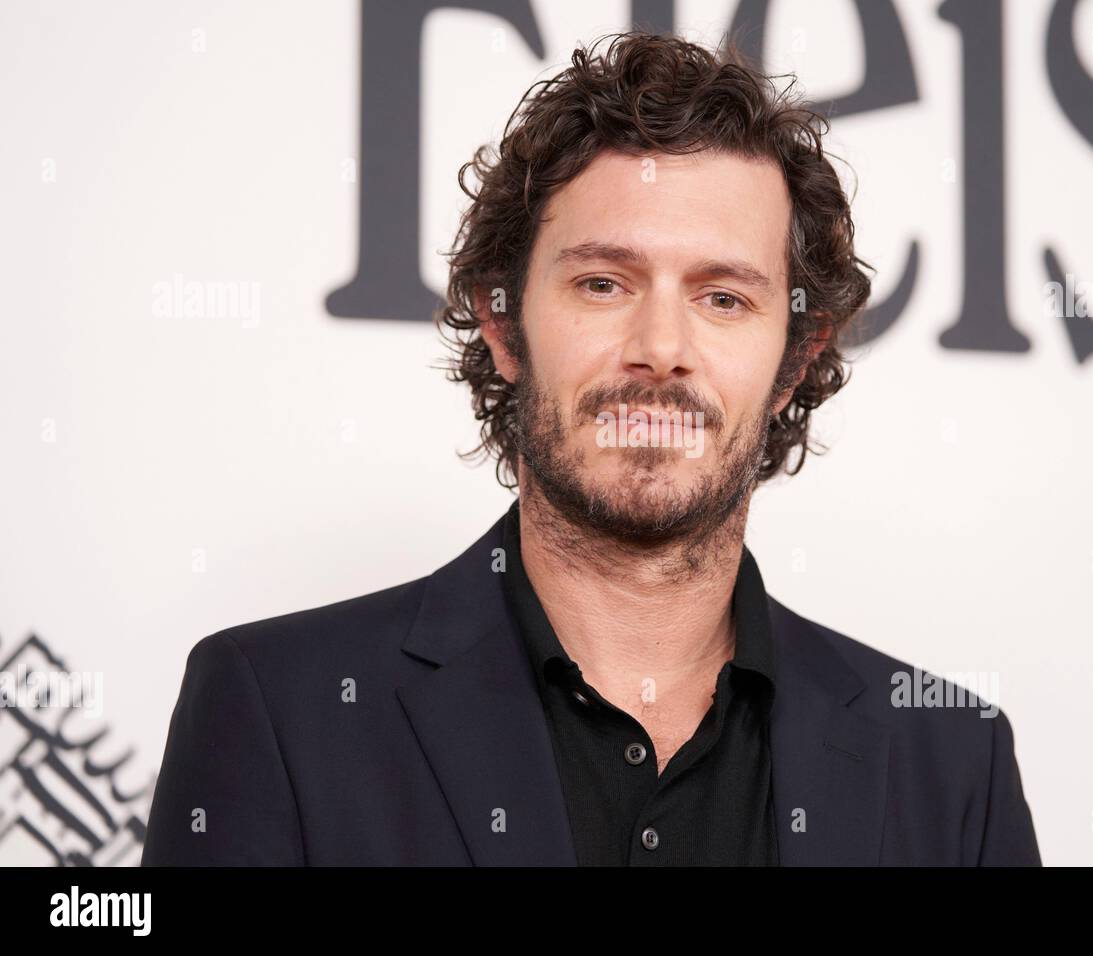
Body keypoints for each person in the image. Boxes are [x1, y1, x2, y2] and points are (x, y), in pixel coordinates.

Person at [141, 30, 1041, 866]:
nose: (661, 347)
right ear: (503, 325)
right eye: (604, 283)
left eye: (724, 297)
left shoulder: (953, 765)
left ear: (796, 360)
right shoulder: (276, 710)